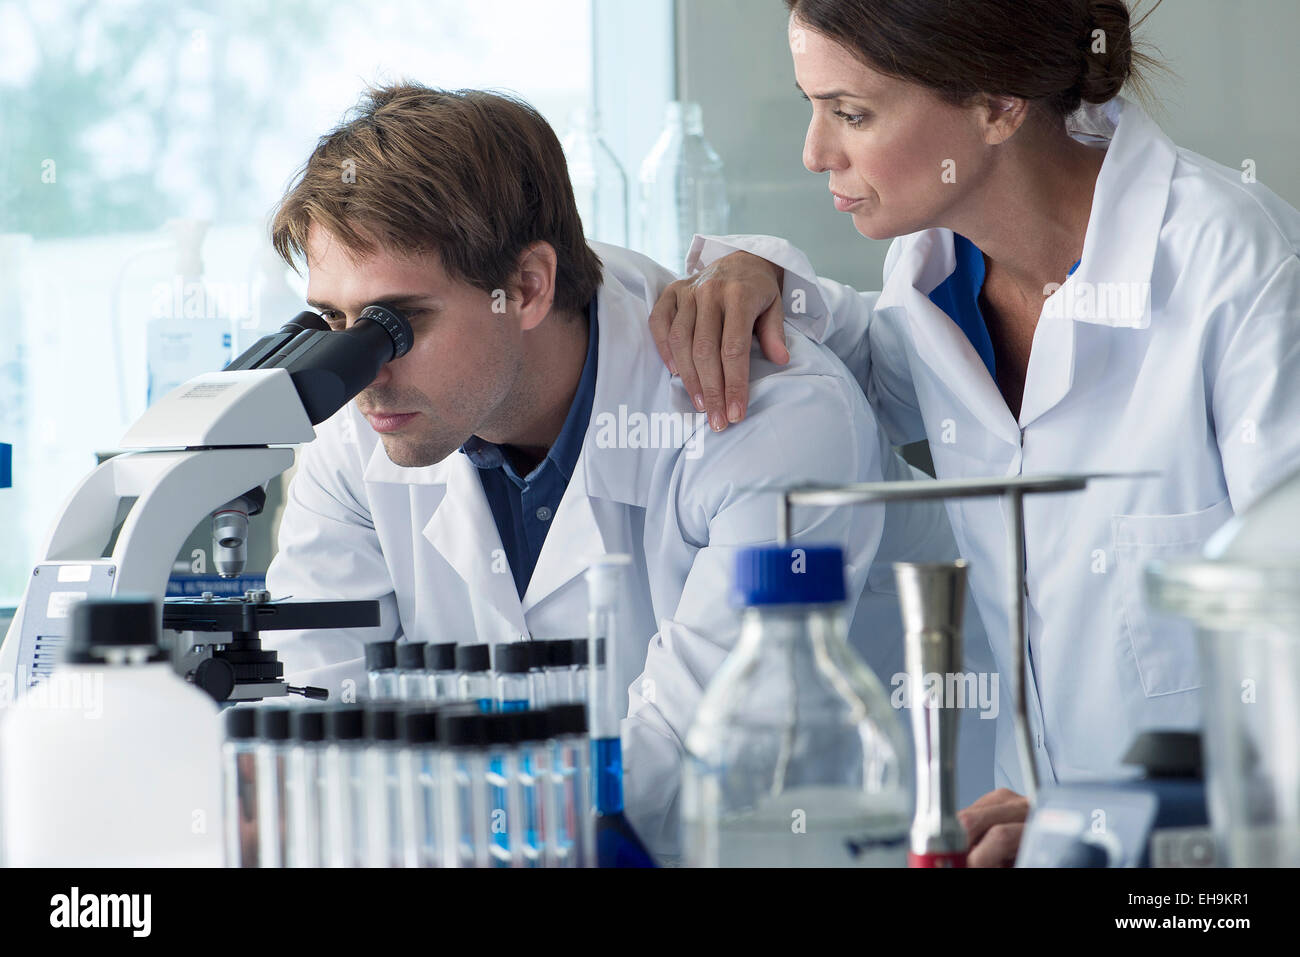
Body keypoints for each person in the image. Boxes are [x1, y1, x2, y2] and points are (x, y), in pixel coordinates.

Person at [647, 0, 1300, 865]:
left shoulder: (1234, 266)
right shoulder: (930, 281)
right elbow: (871, 366)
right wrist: (754, 268)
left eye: (852, 113)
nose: (815, 153)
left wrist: (1112, 825)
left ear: (996, 106)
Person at [257, 83, 982, 860]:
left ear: (528, 287)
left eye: (395, 324)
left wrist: (428, 821)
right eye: (334, 324)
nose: (366, 372)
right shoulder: (364, 431)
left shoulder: (766, 415)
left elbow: (686, 756)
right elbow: (317, 721)